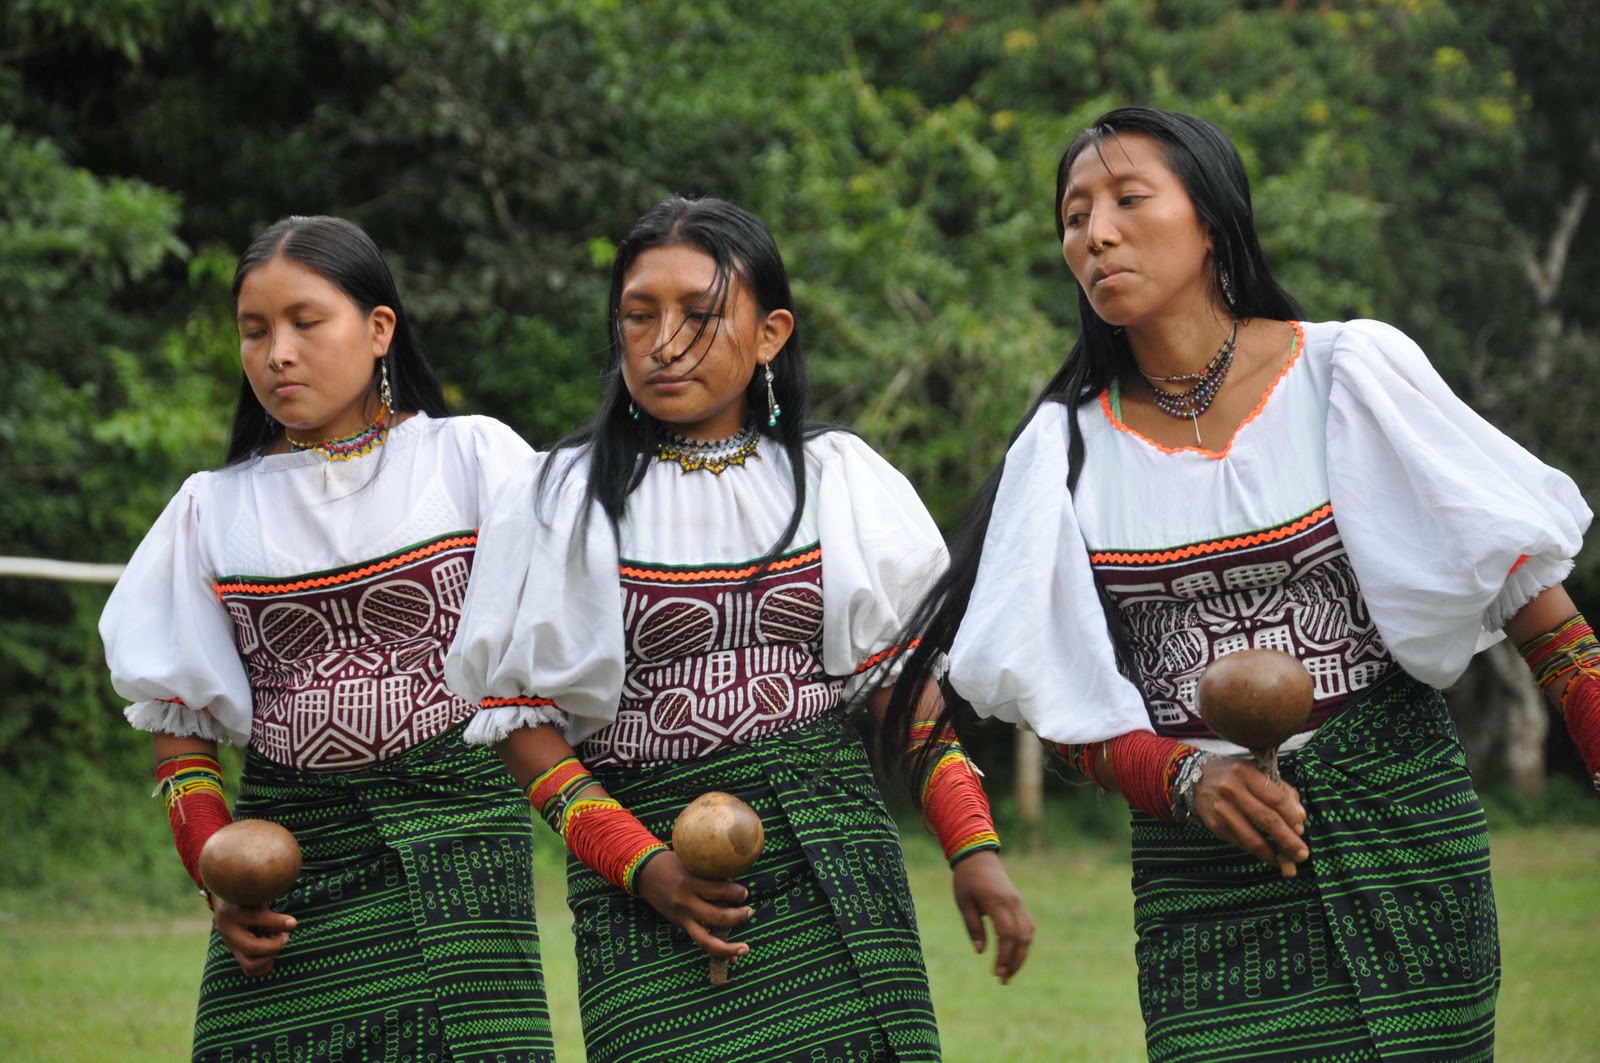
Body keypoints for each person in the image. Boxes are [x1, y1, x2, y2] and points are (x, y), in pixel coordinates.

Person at [885, 106, 1600, 1063]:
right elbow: (1061, 714)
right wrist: (1185, 780)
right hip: (1202, 876)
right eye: (1074, 216)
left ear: (1212, 219)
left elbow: (1532, 603)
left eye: (1129, 201)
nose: (1094, 234)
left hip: (1403, 837)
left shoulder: (1347, 374)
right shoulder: (1062, 452)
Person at [445, 195, 1034, 1063]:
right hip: (646, 874)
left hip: (837, 861)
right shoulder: (560, 497)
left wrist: (972, 846)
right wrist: (647, 869)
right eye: (639, 315)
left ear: (771, 333)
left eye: (700, 313)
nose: (663, 340)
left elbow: (904, 697)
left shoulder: (841, 481)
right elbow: (521, 720)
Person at [99, 215, 555, 1063]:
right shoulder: (212, 507)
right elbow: (180, 721)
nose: (278, 353)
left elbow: (551, 662)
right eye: (255, 329)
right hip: (287, 865)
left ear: (379, 328)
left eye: (306, 322)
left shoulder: (473, 461)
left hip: (459, 845)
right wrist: (217, 873)